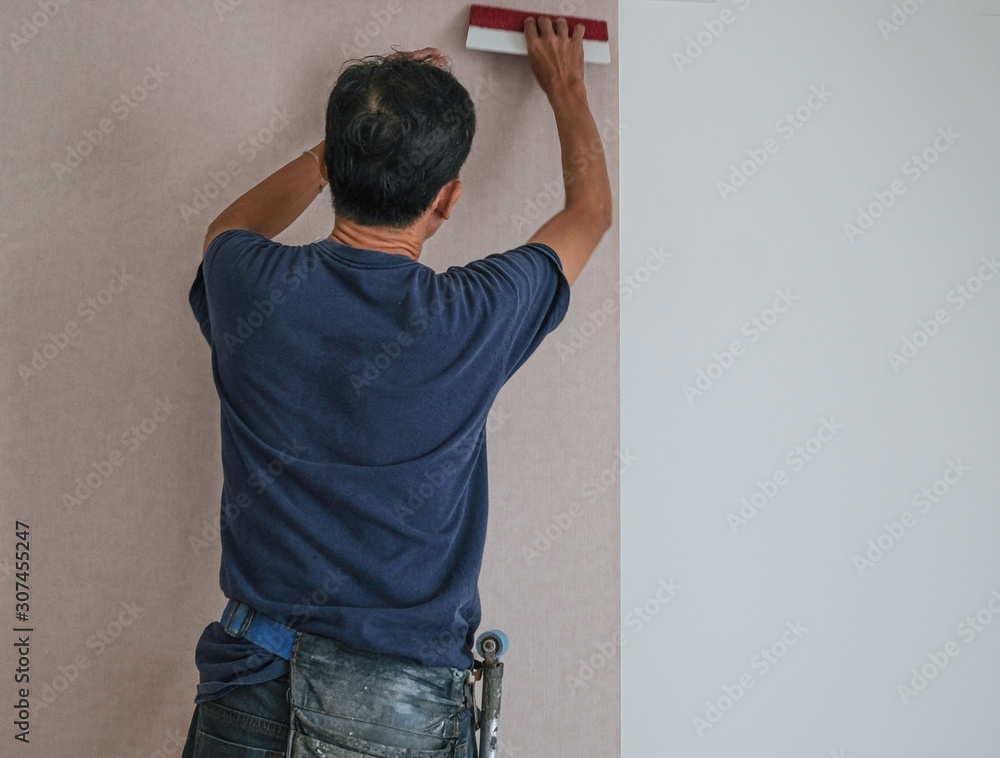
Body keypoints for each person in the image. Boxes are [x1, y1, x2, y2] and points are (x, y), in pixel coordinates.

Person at [181, 15, 612, 758]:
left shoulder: (244, 281)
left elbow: (231, 223)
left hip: (248, 684)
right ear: (447, 199)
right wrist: (567, 87)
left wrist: (351, 138)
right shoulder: (472, 317)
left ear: (338, 172)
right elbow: (588, 216)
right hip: (395, 713)